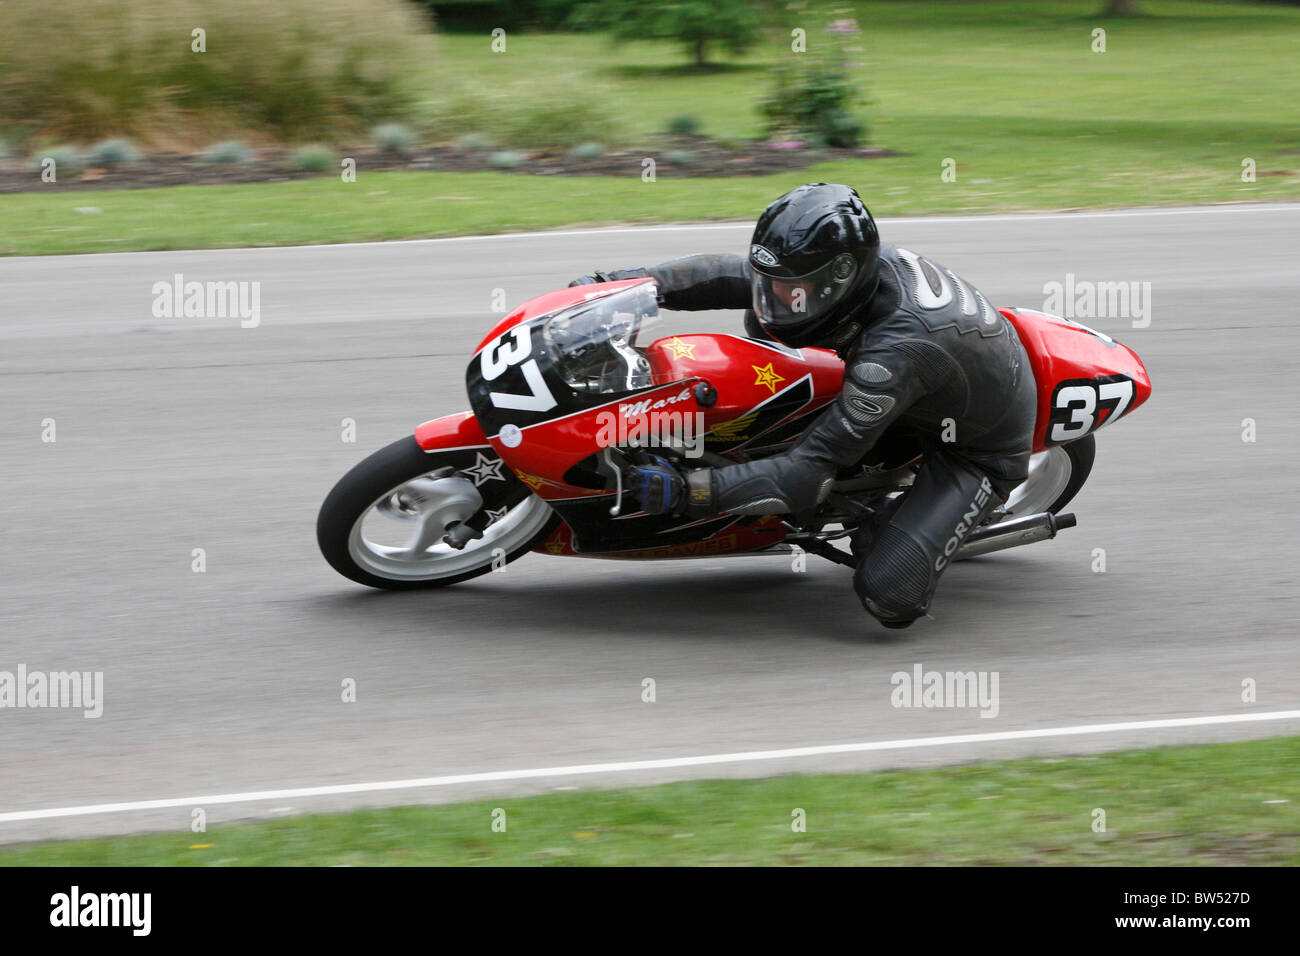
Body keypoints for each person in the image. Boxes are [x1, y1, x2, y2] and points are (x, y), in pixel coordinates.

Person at [569, 183, 1036, 628]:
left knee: (889, 595)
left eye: (791, 290)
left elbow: (805, 475)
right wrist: (611, 290)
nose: (774, 300)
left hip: (972, 447)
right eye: (775, 281)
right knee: (767, 321)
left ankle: (902, 521)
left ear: (840, 279)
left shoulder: (892, 357)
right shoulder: (834, 273)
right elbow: (732, 275)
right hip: (933, 379)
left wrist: (687, 491)